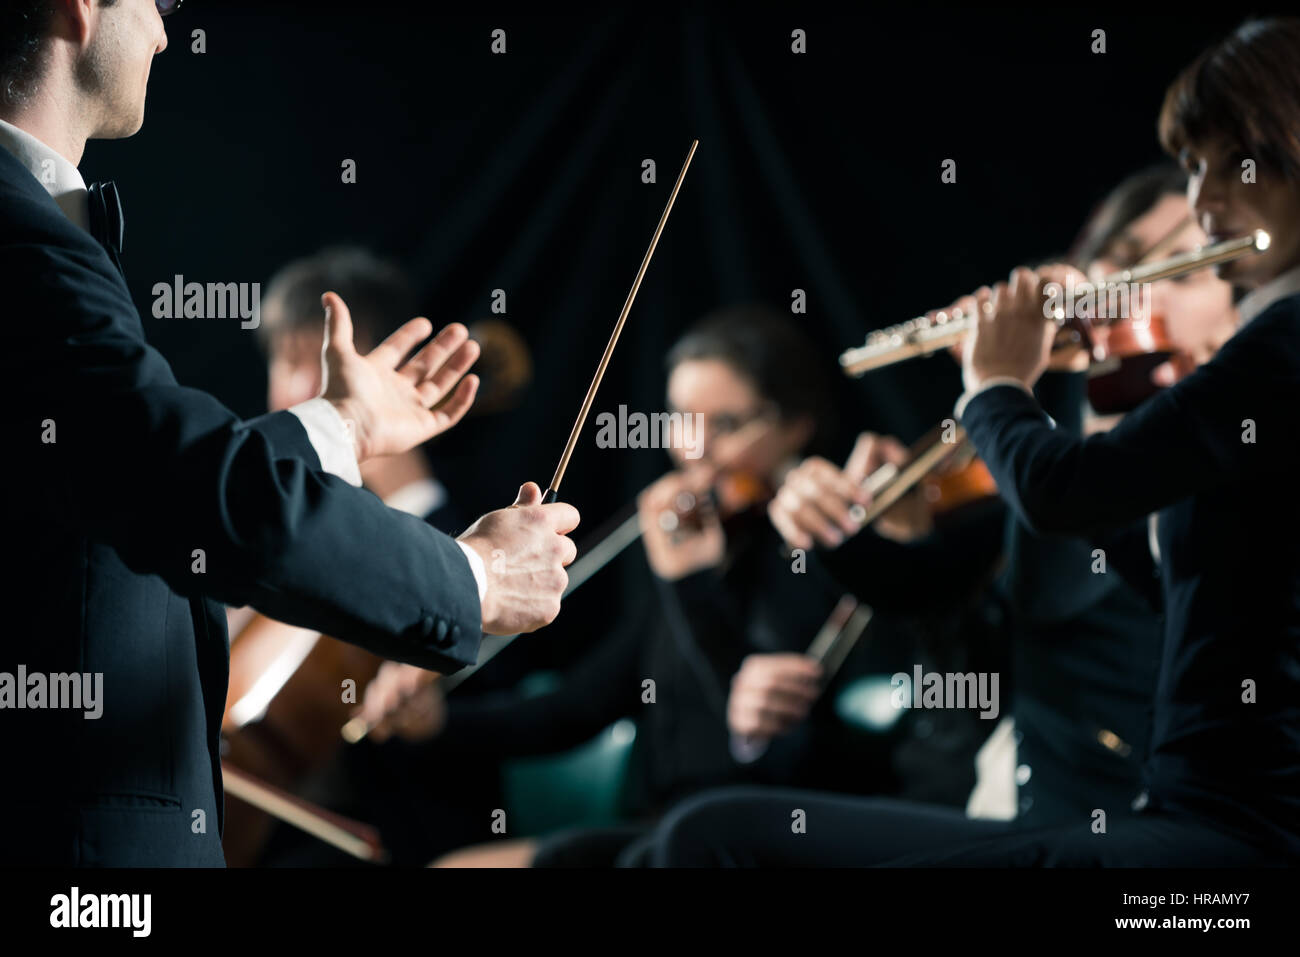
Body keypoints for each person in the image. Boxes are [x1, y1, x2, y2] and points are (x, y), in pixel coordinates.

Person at [0, 0, 576, 866]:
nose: (165, 32)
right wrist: (473, 575)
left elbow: (131, 469)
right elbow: (185, 486)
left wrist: (344, 424)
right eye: (158, 4)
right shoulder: (22, 239)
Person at [646, 144, 1269, 865]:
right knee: (693, 836)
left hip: (1135, 833)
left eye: (1183, 271)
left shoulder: (1226, 441)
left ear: (1236, 313)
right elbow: (926, 585)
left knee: (708, 838)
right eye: (1122, 260)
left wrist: (1000, 394)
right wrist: (837, 526)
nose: (1133, 291)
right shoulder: (1050, 420)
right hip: (1032, 814)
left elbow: (1143, 560)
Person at [361, 305, 954, 867]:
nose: (695, 451)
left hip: (755, 837)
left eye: (724, 425)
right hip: (660, 827)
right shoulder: (696, 547)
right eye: (681, 422)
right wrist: (439, 723)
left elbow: (786, 754)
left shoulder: (824, 561)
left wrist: (692, 585)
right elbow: (580, 706)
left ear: (795, 426)